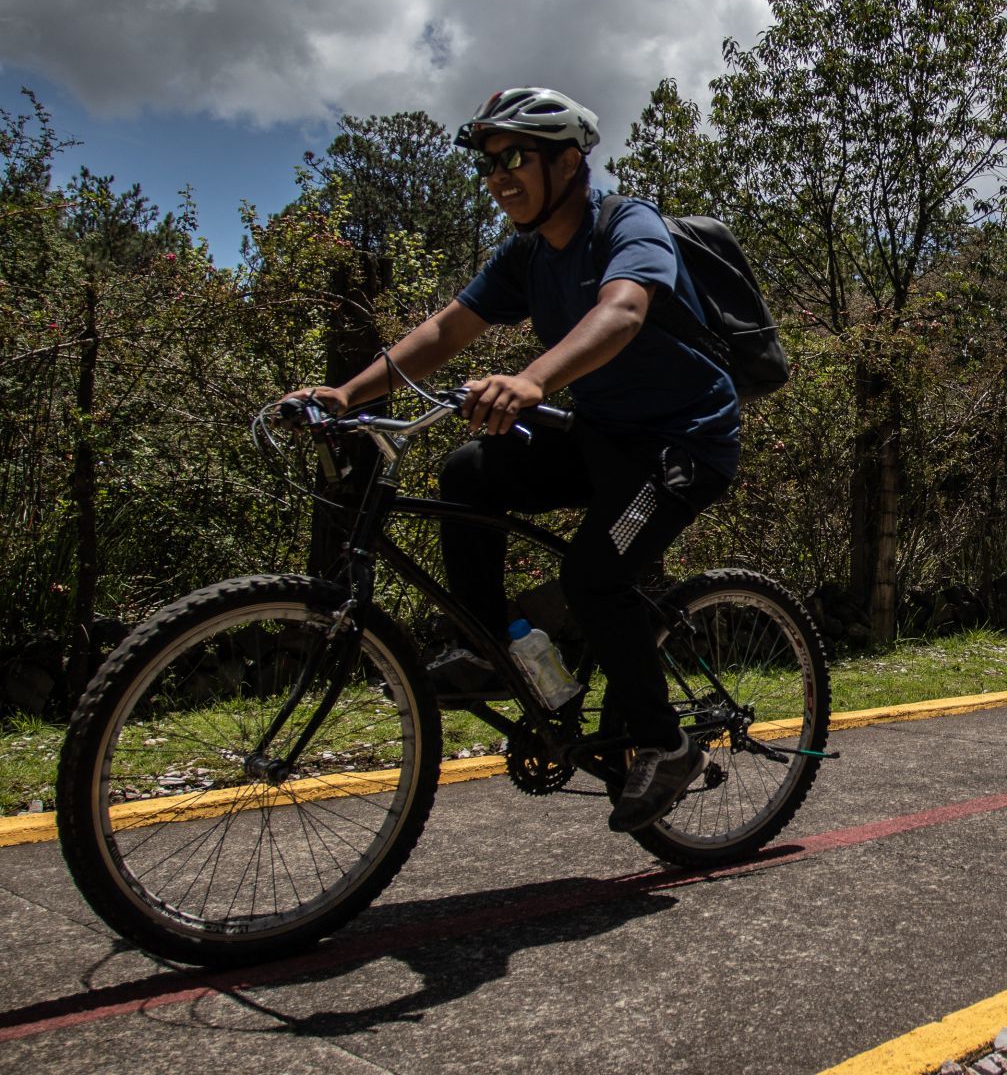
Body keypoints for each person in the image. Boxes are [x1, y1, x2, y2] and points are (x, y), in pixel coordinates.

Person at [285, 86, 738, 834]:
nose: (499, 177)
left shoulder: (630, 225)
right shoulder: (528, 257)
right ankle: (498, 651)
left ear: (568, 162)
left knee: (595, 578)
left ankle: (665, 743)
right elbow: (446, 329)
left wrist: (531, 380)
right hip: (603, 433)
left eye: (515, 158)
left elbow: (622, 310)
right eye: (490, 163)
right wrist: (345, 394)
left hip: (682, 443)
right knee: (468, 471)